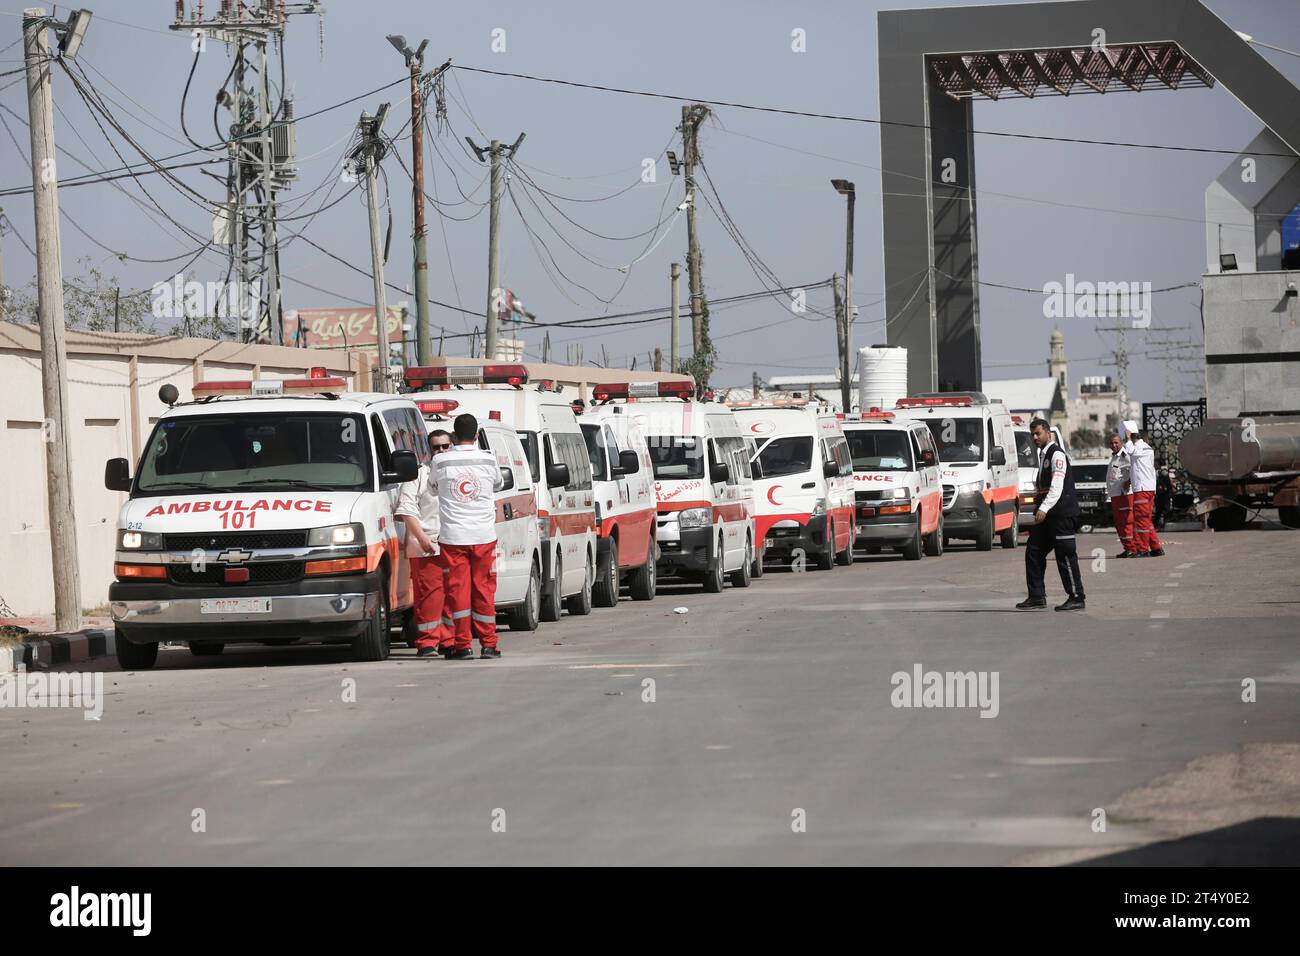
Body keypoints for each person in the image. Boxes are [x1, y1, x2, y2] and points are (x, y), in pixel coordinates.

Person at [435, 413, 503, 660]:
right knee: (483, 590)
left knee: (457, 593)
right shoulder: (488, 459)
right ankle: (489, 644)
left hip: (453, 537)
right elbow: (497, 484)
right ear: (476, 436)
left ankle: (462, 645)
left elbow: (433, 487)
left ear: (453, 436)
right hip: (483, 535)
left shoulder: (441, 461)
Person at [1017, 418, 1085, 612]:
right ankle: (1037, 596)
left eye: (1038, 433)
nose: (1035, 437)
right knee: (1034, 551)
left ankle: (1077, 596)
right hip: (1048, 516)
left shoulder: (1056, 455)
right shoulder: (1043, 455)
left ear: (1048, 432)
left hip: (1061, 514)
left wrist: (1043, 508)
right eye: (1032, 434)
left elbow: (1056, 486)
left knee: (1065, 554)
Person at [394, 431, 452, 658]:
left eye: (445, 446)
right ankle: (428, 642)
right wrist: (423, 539)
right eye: (436, 447)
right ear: (429, 450)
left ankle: (449, 640)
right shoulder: (418, 475)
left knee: (452, 595)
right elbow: (406, 510)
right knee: (429, 596)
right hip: (425, 543)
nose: (441, 451)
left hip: (453, 541)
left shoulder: (458, 472)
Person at [1123, 421, 1165, 557]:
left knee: (1141, 519)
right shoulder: (1147, 448)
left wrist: (1127, 438)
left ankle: (1143, 549)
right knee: (1146, 519)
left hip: (1142, 489)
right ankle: (1156, 547)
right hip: (1148, 489)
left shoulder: (1139, 447)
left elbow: (1130, 451)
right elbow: (1138, 467)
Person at [1106, 433, 1135, 557]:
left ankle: (1132, 549)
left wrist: (1128, 482)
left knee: (1126, 522)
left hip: (1124, 495)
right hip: (1115, 494)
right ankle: (1127, 547)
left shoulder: (1125, 455)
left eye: (1116, 442)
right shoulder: (1115, 457)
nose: (1114, 445)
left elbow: (1134, 469)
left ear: (1121, 443)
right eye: (1112, 443)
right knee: (1119, 523)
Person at [1154, 462, 1173, 530]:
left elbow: (1169, 487)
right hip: (1160, 496)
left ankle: (1164, 525)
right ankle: (1157, 525)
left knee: (1165, 511)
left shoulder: (1164, 476)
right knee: (1159, 511)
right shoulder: (1157, 475)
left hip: (1164, 496)